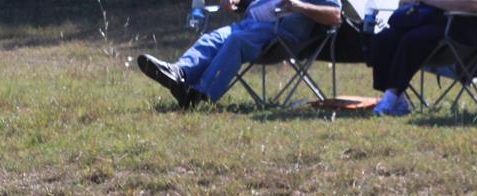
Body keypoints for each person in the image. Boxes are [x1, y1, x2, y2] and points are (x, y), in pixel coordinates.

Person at [137, 0, 343, 109]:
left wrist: (300, 6)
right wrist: (237, 3)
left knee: (236, 41)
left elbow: (335, 15)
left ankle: (197, 96)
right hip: (249, 26)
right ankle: (178, 72)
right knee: (213, 38)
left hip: (278, 36)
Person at [366, 0, 477, 117]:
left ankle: (391, 97)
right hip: (427, 23)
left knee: (412, 40)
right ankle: (399, 102)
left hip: (459, 34)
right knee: (383, 40)